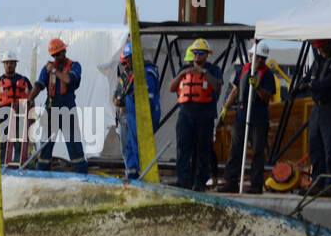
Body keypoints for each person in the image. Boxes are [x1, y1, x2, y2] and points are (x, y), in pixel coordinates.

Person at [218, 39, 275, 194]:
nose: (259, 60)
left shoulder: (268, 75)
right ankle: (231, 181)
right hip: (242, 115)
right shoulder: (243, 70)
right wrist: (225, 108)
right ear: (251, 56)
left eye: (262, 58)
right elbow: (236, 90)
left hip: (258, 116)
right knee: (235, 149)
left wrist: (257, 87)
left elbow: (267, 96)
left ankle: (256, 185)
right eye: (256, 57)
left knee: (257, 151)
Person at [296, 38, 331, 192]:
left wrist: (312, 85)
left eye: (323, 48)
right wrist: (301, 84)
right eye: (319, 48)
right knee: (315, 146)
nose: (321, 51)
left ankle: (330, 184)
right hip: (318, 108)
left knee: (330, 147)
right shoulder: (318, 61)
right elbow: (309, 77)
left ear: (330, 45)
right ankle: (317, 182)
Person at [169, 38, 222, 190]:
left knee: (203, 150)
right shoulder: (184, 69)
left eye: (201, 53)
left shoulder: (213, 70)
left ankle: (200, 182)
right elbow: (171, 88)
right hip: (186, 115)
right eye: (195, 53)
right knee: (183, 148)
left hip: (205, 116)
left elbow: (217, 86)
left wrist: (203, 72)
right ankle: (183, 180)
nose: (197, 56)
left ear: (207, 55)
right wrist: (182, 74)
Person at [29, 37, 88, 174]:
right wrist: (30, 98)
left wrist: (54, 71)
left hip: (68, 111)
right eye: (54, 55)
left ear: (64, 52)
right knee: (45, 147)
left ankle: (82, 175)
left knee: (74, 146)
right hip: (51, 112)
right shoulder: (47, 69)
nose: (56, 56)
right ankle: (41, 175)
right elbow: (39, 85)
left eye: (59, 53)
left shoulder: (74, 66)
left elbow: (68, 79)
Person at [113, 42, 161, 179]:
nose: (125, 66)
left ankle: (146, 179)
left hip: (143, 117)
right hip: (130, 117)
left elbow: (148, 99)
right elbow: (119, 95)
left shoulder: (147, 73)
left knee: (140, 149)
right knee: (129, 150)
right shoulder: (128, 76)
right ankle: (132, 177)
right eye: (123, 63)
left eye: (126, 62)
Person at [0, 50, 33, 167]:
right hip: (3, 114)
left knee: (19, 143)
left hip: (20, 115)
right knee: (3, 142)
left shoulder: (24, 80)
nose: (9, 65)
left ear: (15, 64)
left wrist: (32, 116)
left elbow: (31, 98)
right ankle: (2, 165)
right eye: (7, 63)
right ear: (3, 64)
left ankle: (18, 165)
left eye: (11, 62)